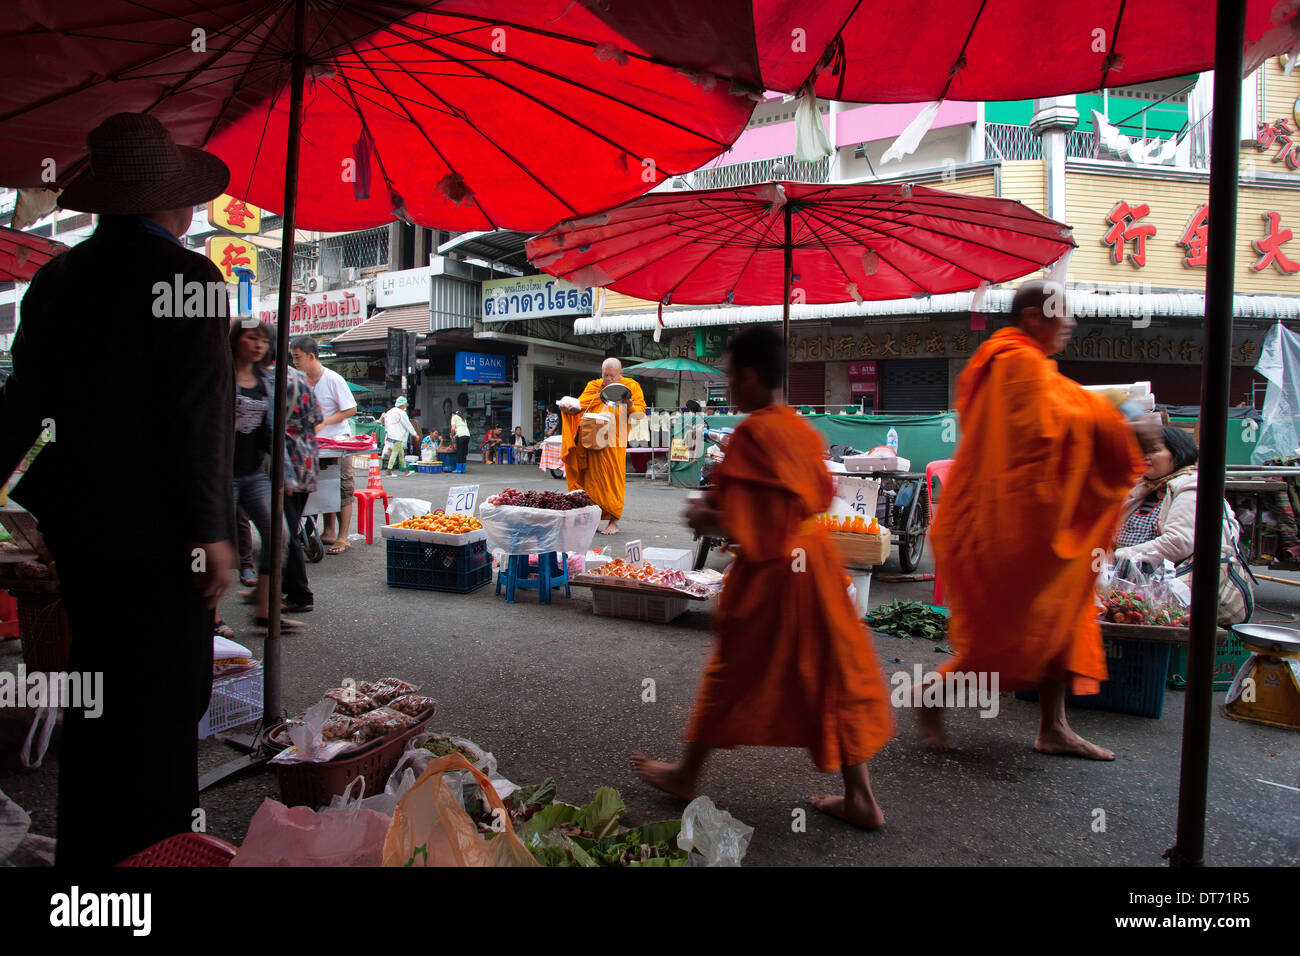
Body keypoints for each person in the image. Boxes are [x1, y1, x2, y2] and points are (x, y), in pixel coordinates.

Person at [0, 112, 236, 866]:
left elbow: (22, 407)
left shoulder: (56, 279)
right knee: (166, 710)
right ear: (176, 200)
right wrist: (212, 530)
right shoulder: (191, 279)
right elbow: (201, 414)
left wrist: (18, 503)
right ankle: (152, 863)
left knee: (98, 700)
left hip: (83, 531)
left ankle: (90, 867)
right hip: (167, 538)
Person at [633, 326, 893, 827]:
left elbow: (742, 521)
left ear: (750, 379)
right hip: (815, 567)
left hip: (775, 574)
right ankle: (861, 797)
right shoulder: (799, 428)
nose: (728, 386)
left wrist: (705, 518)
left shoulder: (754, 432)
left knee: (731, 673)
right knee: (833, 676)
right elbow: (810, 496)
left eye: (731, 376)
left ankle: (687, 774)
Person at [924, 280, 1157, 760]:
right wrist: (1121, 422)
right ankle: (933, 694)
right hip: (1006, 527)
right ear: (1033, 316)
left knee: (1063, 620)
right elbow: (1042, 434)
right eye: (1062, 313)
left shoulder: (1034, 369)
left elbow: (1074, 408)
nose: (1070, 323)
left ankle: (1054, 727)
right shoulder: (1013, 363)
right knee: (1013, 631)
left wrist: (1120, 414)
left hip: (1040, 524)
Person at [1113, 425, 1254, 624]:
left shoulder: (1191, 487)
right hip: (1138, 587)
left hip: (1175, 591)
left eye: (1153, 450)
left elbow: (1178, 542)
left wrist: (1121, 555)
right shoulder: (1144, 489)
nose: (1144, 456)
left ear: (1178, 454)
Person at [230, 323, 309, 631]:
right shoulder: (220, 378)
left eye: (263, 340)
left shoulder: (266, 381)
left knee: (280, 535)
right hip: (222, 475)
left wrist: (285, 477)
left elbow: (274, 434)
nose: (258, 345)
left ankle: (264, 609)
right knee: (219, 546)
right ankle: (211, 620)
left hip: (253, 474)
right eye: (251, 338)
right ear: (236, 340)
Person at [560, 358, 647, 534]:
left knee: (612, 480)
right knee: (588, 480)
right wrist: (568, 407)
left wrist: (629, 403)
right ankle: (589, 520)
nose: (607, 379)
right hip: (591, 437)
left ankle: (614, 521)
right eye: (604, 375)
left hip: (615, 440)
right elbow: (580, 406)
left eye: (611, 376)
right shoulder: (594, 386)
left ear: (620, 374)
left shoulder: (631, 386)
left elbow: (639, 414)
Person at [290, 336, 357, 554]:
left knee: (343, 487)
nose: (295, 362)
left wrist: (325, 422)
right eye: (293, 358)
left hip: (339, 440)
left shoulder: (333, 379)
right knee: (324, 486)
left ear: (311, 356)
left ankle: (343, 537)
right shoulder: (299, 380)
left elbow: (351, 409)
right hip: (314, 444)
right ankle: (328, 531)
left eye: (297, 357)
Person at [382, 396, 417, 475]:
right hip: (397, 437)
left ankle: (406, 471)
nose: (406, 405)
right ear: (402, 404)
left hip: (390, 436)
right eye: (405, 403)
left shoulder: (389, 412)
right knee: (394, 454)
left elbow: (386, 424)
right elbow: (408, 425)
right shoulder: (402, 413)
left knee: (401, 454)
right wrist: (415, 434)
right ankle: (388, 471)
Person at [450, 397, 471, 473]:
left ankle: (458, 469)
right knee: (464, 452)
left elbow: (453, 429)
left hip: (461, 436)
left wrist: (451, 435)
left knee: (459, 452)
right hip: (467, 436)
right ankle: (463, 469)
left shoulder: (454, 417)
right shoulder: (463, 418)